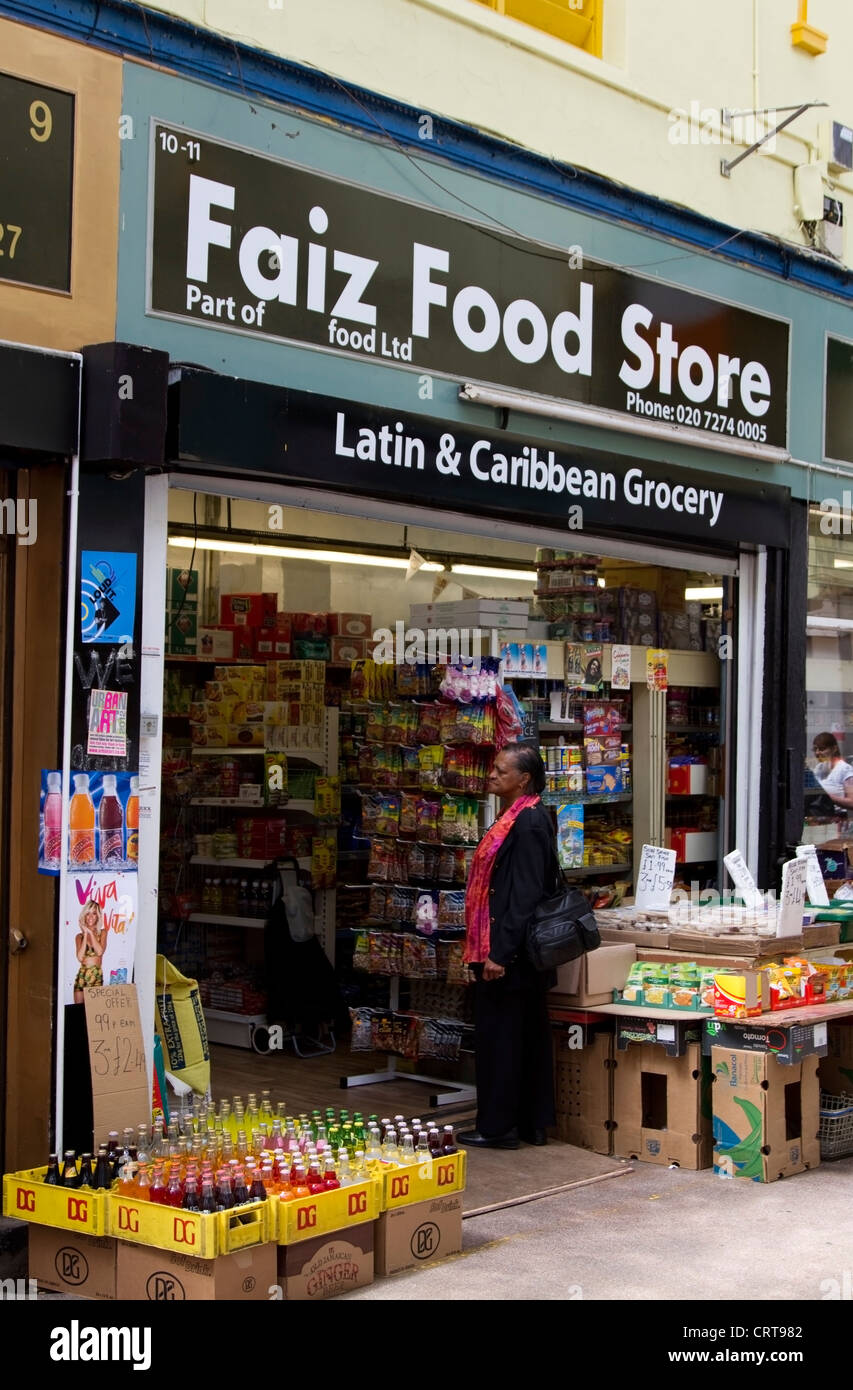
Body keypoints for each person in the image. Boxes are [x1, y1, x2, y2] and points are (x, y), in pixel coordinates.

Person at [458, 743, 557, 1150]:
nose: (492, 775)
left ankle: (497, 1127)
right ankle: (531, 1123)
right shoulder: (517, 817)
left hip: (509, 952)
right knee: (525, 1035)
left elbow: (526, 894)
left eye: (501, 771)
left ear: (524, 779)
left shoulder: (528, 822)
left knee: (500, 1038)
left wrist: (499, 952)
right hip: (516, 951)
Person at [73, 899, 109, 1003]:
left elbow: (99, 952)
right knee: (78, 1014)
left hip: (96, 976)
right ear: (84, 916)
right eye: (88, 914)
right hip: (82, 976)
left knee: (94, 1013)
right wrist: (85, 935)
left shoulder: (103, 933)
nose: (91, 917)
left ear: (98, 916)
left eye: (94, 913)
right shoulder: (79, 937)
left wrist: (90, 932)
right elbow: (80, 957)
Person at [812, 732, 853, 812]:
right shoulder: (818, 768)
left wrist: (828, 797)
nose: (817, 753)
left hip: (835, 819)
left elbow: (852, 802)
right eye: (815, 749)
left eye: (822, 749)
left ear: (834, 749)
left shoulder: (845, 769)